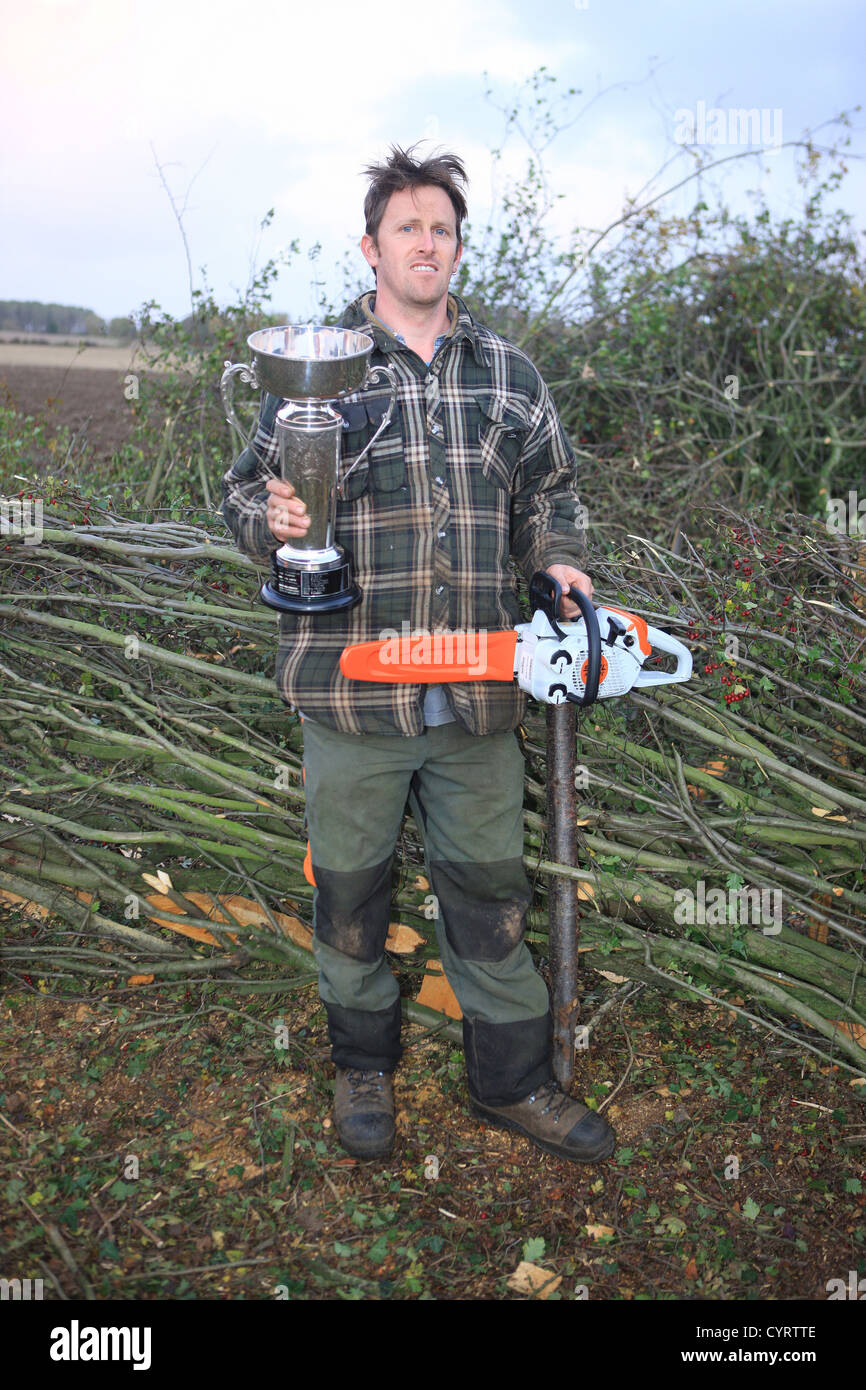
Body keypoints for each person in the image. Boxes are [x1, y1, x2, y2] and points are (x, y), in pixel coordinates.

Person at [220, 145, 616, 1165]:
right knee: (349, 892)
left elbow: (550, 498)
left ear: (455, 247)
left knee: (489, 891)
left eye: (440, 227)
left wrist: (560, 565)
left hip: (480, 685)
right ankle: (361, 1068)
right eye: (407, 227)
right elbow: (241, 497)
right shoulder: (319, 368)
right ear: (371, 247)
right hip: (350, 685)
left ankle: (512, 1082)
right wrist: (272, 520)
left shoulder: (508, 374)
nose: (425, 242)